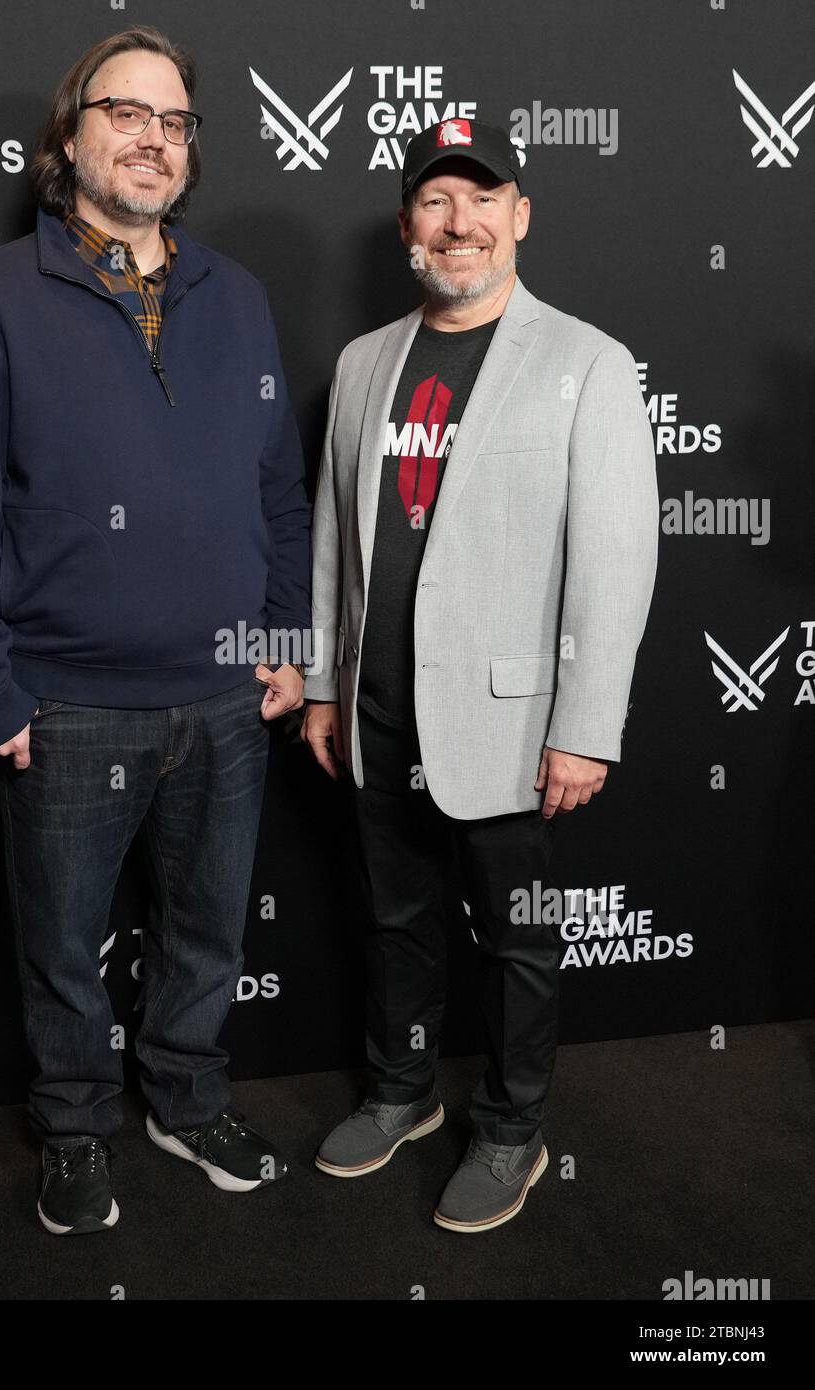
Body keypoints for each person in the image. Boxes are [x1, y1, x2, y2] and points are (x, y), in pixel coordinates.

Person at [0, 25, 310, 1235]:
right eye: (125, 112)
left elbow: (277, 492)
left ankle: (185, 1102)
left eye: (174, 120)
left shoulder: (233, 295)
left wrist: (285, 640)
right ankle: (75, 1127)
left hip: (224, 699)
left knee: (205, 930)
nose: (152, 136)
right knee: (63, 948)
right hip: (67, 701)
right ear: (69, 135)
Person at [301, 119, 658, 1232]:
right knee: (395, 925)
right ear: (408, 225)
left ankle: (510, 1128)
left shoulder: (584, 361)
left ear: (518, 215)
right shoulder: (364, 361)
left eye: (479, 199)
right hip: (377, 712)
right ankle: (403, 1090)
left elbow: (614, 556)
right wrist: (321, 682)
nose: (457, 224)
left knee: (515, 939)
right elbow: (329, 541)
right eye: (433, 204)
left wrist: (585, 723)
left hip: (509, 723)